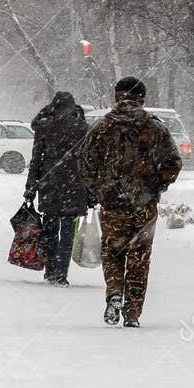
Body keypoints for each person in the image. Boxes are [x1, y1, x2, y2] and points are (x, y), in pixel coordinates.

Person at [75, 76, 183, 327]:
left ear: (116, 97)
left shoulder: (102, 127)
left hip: (113, 204)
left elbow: (84, 162)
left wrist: (97, 188)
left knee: (113, 252)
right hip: (144, 204)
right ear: (142, 99)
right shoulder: (155, 128)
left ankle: (114, 292)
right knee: (140, 256)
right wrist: (158, 185)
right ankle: (132, 311)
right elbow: (173, 163)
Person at [23, 90, 93, 286]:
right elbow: (89, 162)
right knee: (68, 232)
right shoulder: (82, 128)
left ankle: (50, 270)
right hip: (75, 185)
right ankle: (62, 273)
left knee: (50, 230)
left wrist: (31, 187)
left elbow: (36, 160)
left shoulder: (45, 127)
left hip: (50, 185)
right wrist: (92, 191)